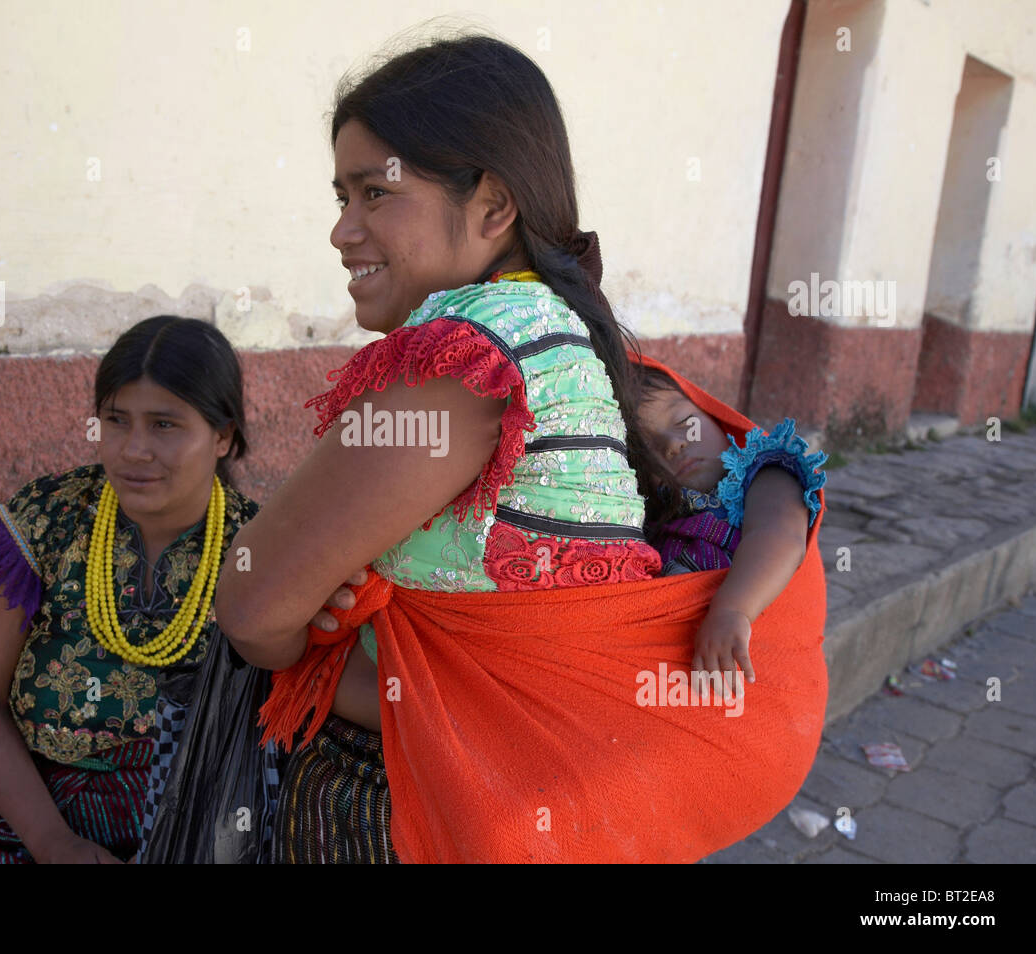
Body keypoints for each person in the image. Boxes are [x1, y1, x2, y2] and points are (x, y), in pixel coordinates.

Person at [214, 33, 828, 863]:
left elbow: (253, 606)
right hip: (545, 804)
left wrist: (319, 656)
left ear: (493, 207)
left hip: (418, 802)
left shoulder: (471, 354)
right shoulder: (570, 333)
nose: (340, 231)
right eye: (340, 195)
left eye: (373, 194)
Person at [0, 315, 317, 863]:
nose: (134, 449)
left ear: (223, 436)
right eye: (117, 420)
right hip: (36, 821)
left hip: (204, 828)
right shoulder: (41, 525)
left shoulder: (260, 553)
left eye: (164, 425)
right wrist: (53, 843)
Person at [632, 361, 828, 693]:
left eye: (684, 422)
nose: (673, 444)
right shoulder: (656, 521)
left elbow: (779, 536)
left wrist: (733, 610)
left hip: (753, 660)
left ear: (714, 415)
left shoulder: (763, 474)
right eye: (648, 448)